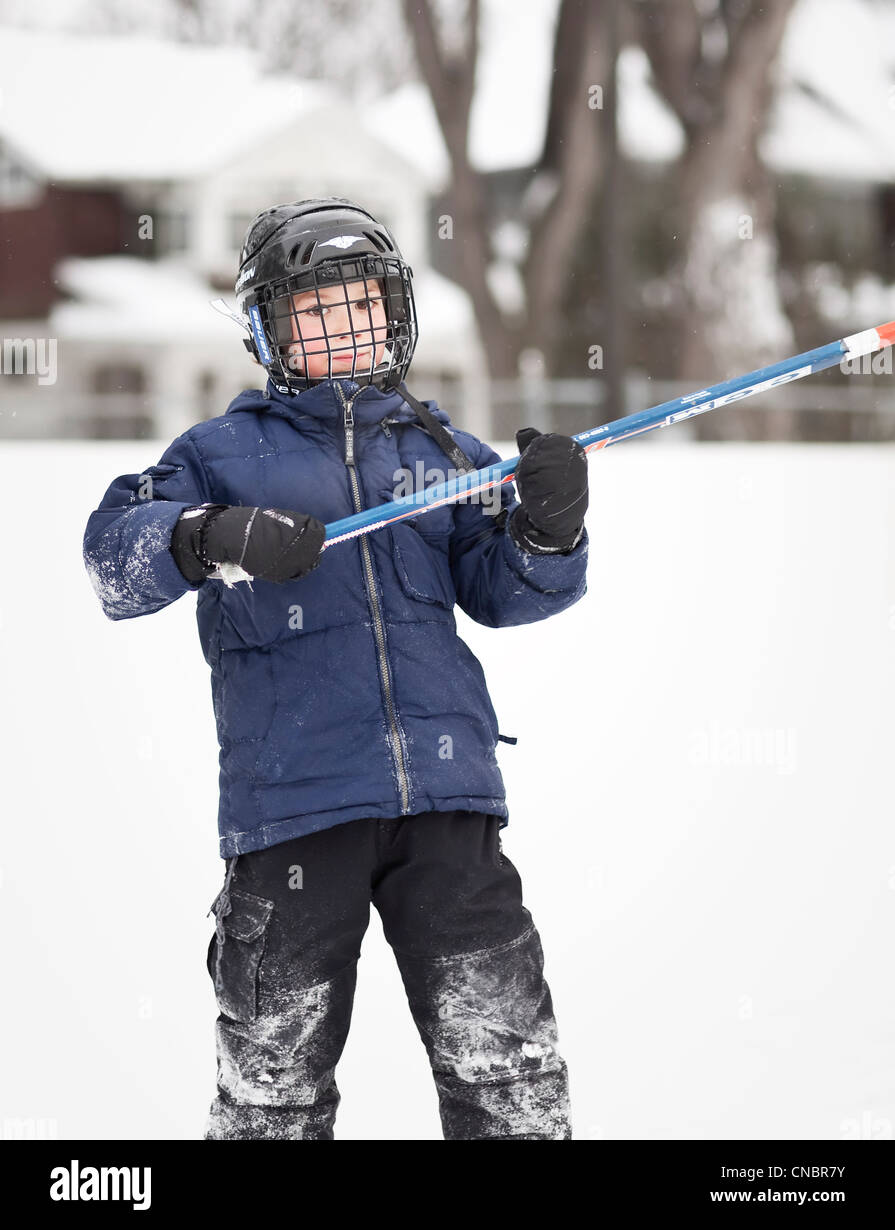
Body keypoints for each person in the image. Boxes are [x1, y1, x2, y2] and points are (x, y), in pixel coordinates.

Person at [83, 197, 590, 1140]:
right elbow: (114, 559)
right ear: (268, 332)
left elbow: (512, 591)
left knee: (507, 1070)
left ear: (393, 317)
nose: (341, 329)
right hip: (294, 814)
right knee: (273, 1086)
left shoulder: (442, 454)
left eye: (358, 306)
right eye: (312, 313)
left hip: (447, 806)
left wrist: (548, 531)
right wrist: (205, 535)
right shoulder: (219, 456)